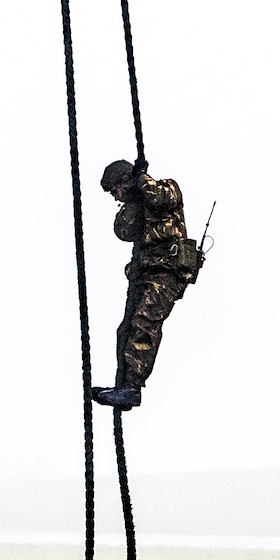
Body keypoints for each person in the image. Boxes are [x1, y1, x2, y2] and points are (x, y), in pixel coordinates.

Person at [88, 159, 203, 412]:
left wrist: (141, 180)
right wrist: (133, 201)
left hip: (168, 273)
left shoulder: (166, 187)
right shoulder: (137, 205)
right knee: (126, 330)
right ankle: (124, 385)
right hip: (146, 274)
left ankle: (132, 388)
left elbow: (159, 198)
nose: (116, 196)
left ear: (126, 181)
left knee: (144, 323)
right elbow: (123, 231)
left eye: (116, 190)